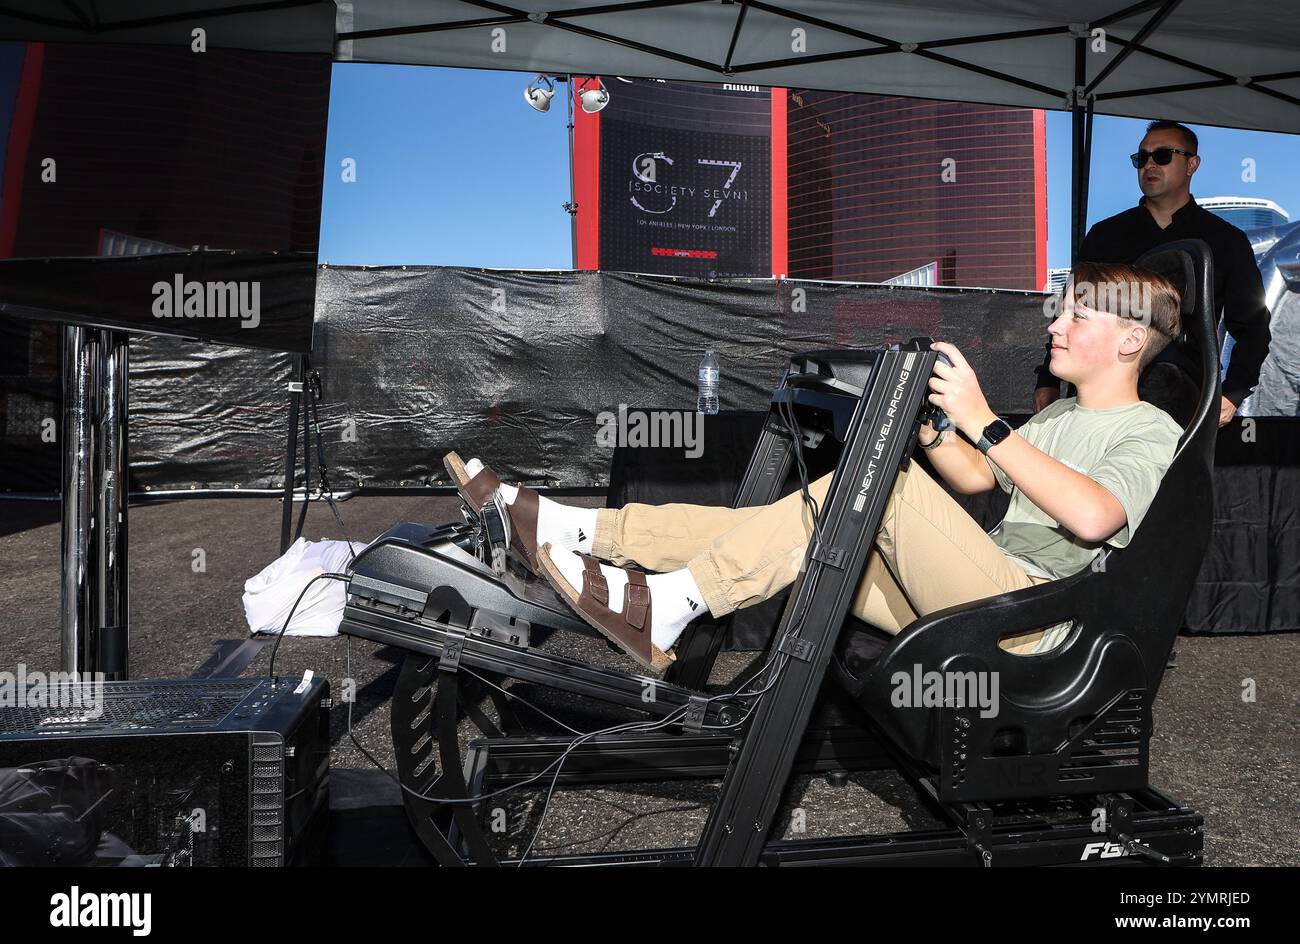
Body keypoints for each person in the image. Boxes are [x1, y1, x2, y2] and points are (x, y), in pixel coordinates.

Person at [448, 262, 1185, 675]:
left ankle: (671, 602)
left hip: (1033, 623)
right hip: (982, 589)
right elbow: (983, 481)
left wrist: (985, 422)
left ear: (1129, 341)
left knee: (873, 495)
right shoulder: (1059, 417)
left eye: (1077, 316)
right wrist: (937, 432)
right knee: (788, 524)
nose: (1054, 325)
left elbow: (1094, 517)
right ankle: (574, 526)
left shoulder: (1152, 428)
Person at [1034, 120, 1271, 428]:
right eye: (1141, 158)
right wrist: (1047, 379)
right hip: (1098, 399)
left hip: (1184, 402)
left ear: (1192, 164)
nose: (1148, 164)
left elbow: (1253, 326)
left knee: (1176, 477)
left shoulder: (1226, 241)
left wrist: (1233, 393)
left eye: (1162, 156)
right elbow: (1068, 312)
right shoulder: (1104, 235)